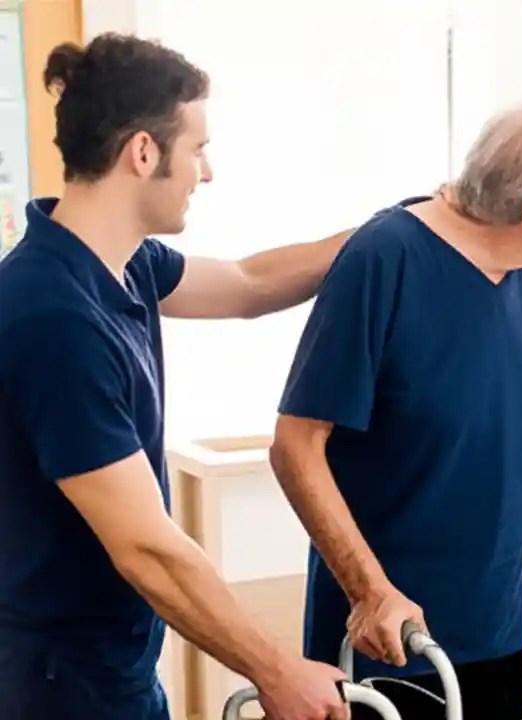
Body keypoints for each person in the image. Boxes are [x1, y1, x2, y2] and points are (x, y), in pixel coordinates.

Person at [0, 34, 356, 720]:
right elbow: (148, 548)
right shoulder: (52, 317)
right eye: (197, 149)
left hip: (113, 665)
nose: (207, 171)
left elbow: (250, 284)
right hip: (58, 685)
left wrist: (387, 231)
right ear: (142, 152)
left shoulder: (118, 263)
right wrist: (275, 669)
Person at [268, 102, 522, 720]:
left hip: (493, 624)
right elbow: (294, 445)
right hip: (388, 636)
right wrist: (370, 590)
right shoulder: (383, 258)